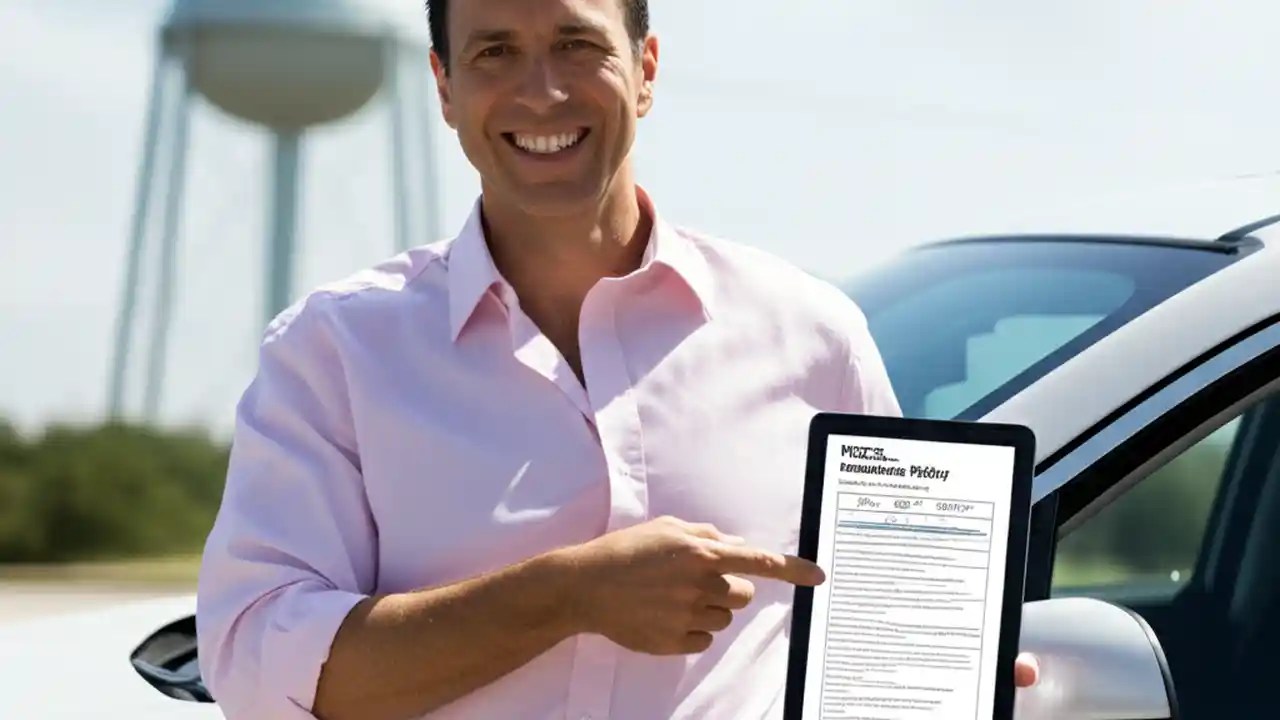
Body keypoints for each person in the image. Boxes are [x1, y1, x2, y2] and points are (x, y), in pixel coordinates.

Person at [195, 0, 1039, 718]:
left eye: (577, 44)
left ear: (646, 69)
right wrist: (570, 596)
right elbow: (256, 669)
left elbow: (882, 642)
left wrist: (948, 678)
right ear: (445, 88)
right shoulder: (335, 351)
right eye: (495, 52)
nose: (543, 91)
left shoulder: (814, 335)